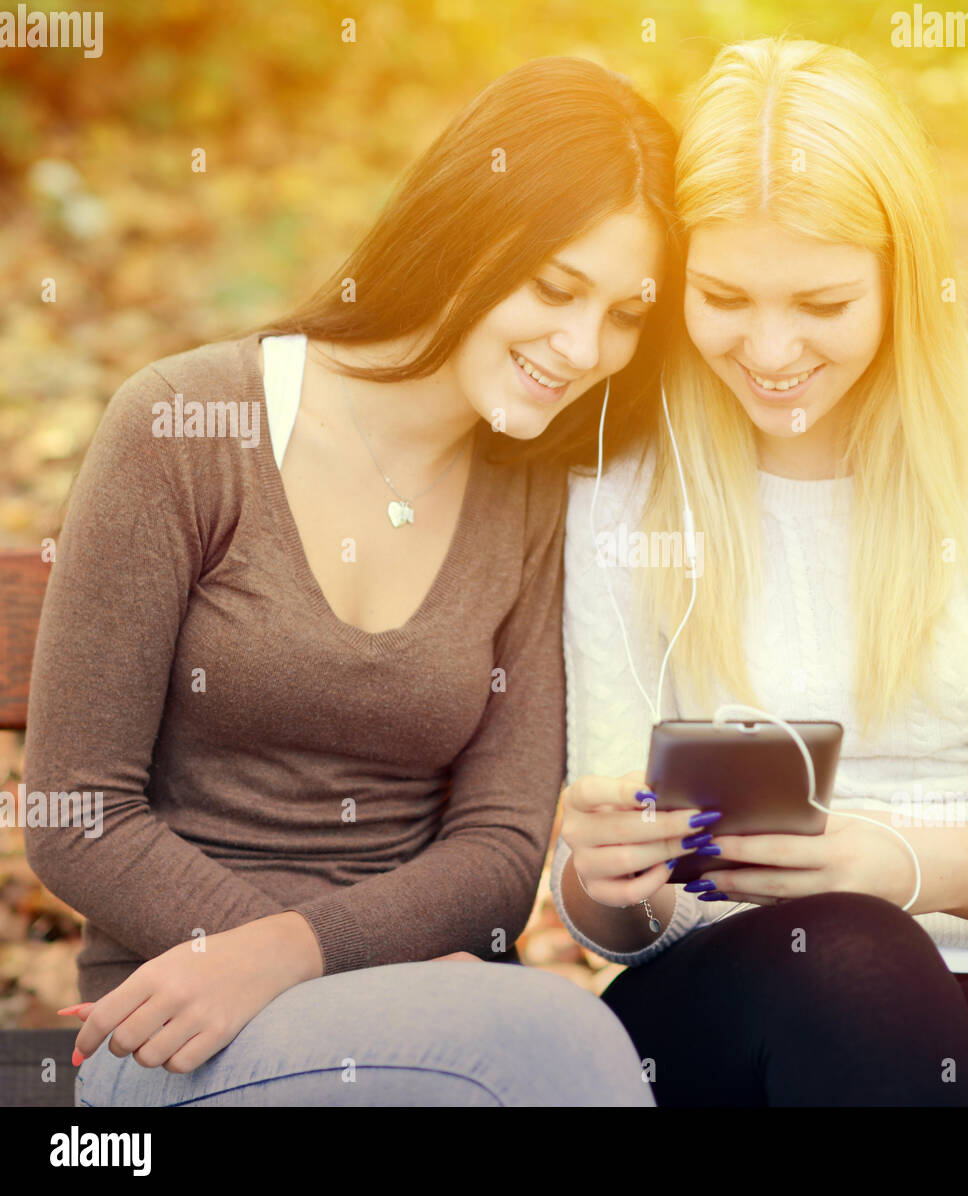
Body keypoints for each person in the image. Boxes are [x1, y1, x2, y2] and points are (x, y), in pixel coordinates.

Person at [23, 55, 679, 1107]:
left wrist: (317, 955)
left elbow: (500, 849)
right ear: (468, 224)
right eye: (556, 288)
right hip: (183, 1016)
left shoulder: (535, 493)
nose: (581, 346)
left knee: (550, 1045)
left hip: (443, 1019)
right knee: (558, 1045)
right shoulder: (187, 426)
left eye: (623, 314)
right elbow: (76, 810)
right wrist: (282, 955)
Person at [551, 36, 968, 1107]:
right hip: (734, 994)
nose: (768, 347)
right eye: (723, 297)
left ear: (904, 278)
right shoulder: (625, 468)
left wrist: (901, 867)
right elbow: (622, 917)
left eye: (823, 304)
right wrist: (601, 886)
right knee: (848, 956)